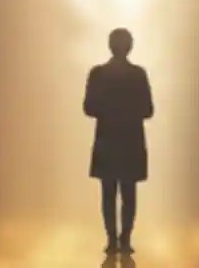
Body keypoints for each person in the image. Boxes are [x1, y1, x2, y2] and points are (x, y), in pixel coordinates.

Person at [84, 28, 154, 255]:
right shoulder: (138, 75)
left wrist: (109, 111)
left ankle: (112, 239)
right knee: (128, 192)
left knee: (108, 192)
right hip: (131, 140)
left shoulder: (97, 74)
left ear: (110, 46)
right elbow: (148, 110)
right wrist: (128, 112)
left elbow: (88, 107)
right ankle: (125, 239)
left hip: (107, 139)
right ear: (130, 46)